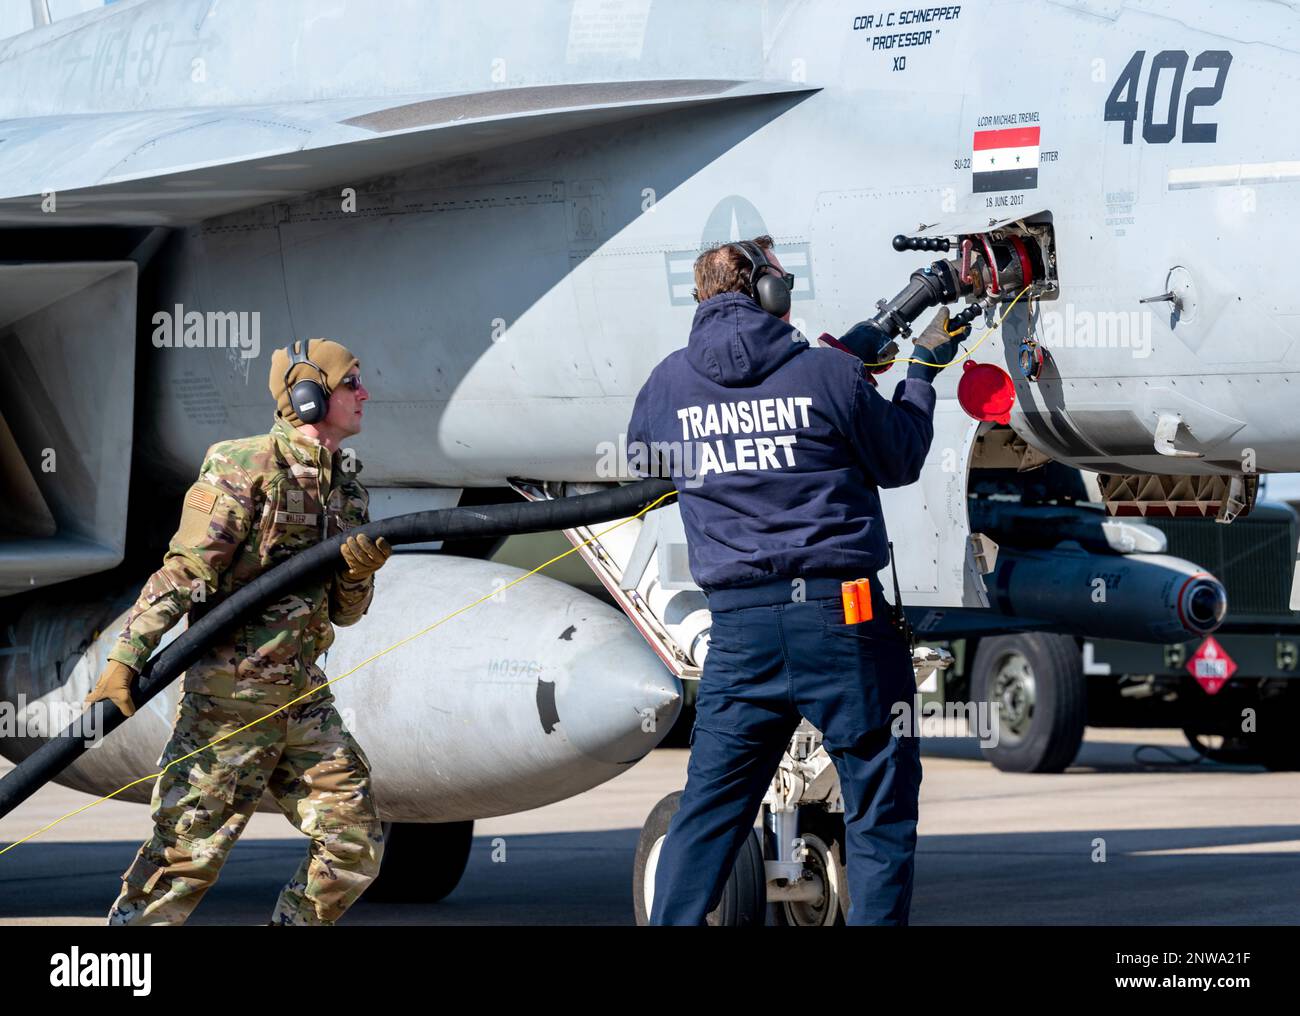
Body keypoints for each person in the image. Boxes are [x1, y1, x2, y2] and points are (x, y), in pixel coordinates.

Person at [627, 235, 965, 925]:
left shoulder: (668, 382)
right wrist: (924, 373)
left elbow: (643, 459)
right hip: (843, 621)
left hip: (739, 631)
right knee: (878, 804)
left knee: (710, 814)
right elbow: (899, 457)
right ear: (767, 293)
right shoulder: (826, 377)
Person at [85, 338, 393, 926]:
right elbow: (186, 572)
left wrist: (358, 576)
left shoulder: (346, 490)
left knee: (354, 842)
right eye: (352, 382)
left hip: (302, 696)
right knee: (185, 859)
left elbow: (346, 614)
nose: (364, 393)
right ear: (309, 394)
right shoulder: (244, 464)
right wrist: (127, 656)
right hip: (230, 700)